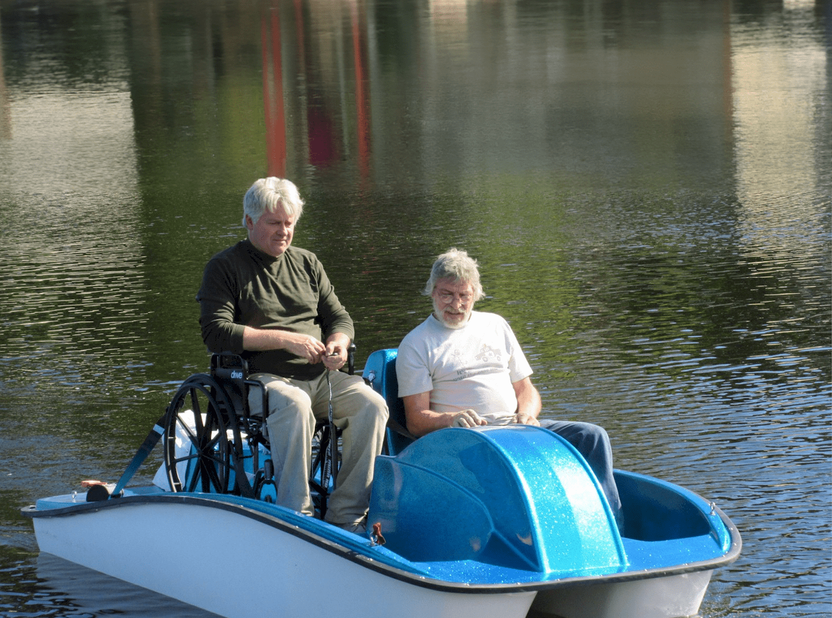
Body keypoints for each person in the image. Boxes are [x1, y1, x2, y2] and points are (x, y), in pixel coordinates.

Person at [197, 177, 388, 532]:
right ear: (250, 221)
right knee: (294, 404)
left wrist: (338, 344)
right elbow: (216, 333)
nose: (284, 231)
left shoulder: (307, 263)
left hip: (321, 376)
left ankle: (347, 514)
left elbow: (340, 318)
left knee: (372, 405)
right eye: (274, 223)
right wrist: (285, 340)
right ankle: (296, 514)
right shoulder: (225, 267)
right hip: (260, 379)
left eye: (289, 223)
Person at [396, 248, 622, 522]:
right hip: (469, 437)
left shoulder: (496, 325)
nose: (456, 304)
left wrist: (527, 414)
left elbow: (526, 389)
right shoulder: (416, 343)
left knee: (592, 436)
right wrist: (452, 418)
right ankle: (524, 531)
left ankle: (608, 522)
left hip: (517, 426)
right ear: (432, 292)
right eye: (447, 294)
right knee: (505, 463)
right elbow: (416, 421)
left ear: (475, 295)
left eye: (464, 295)